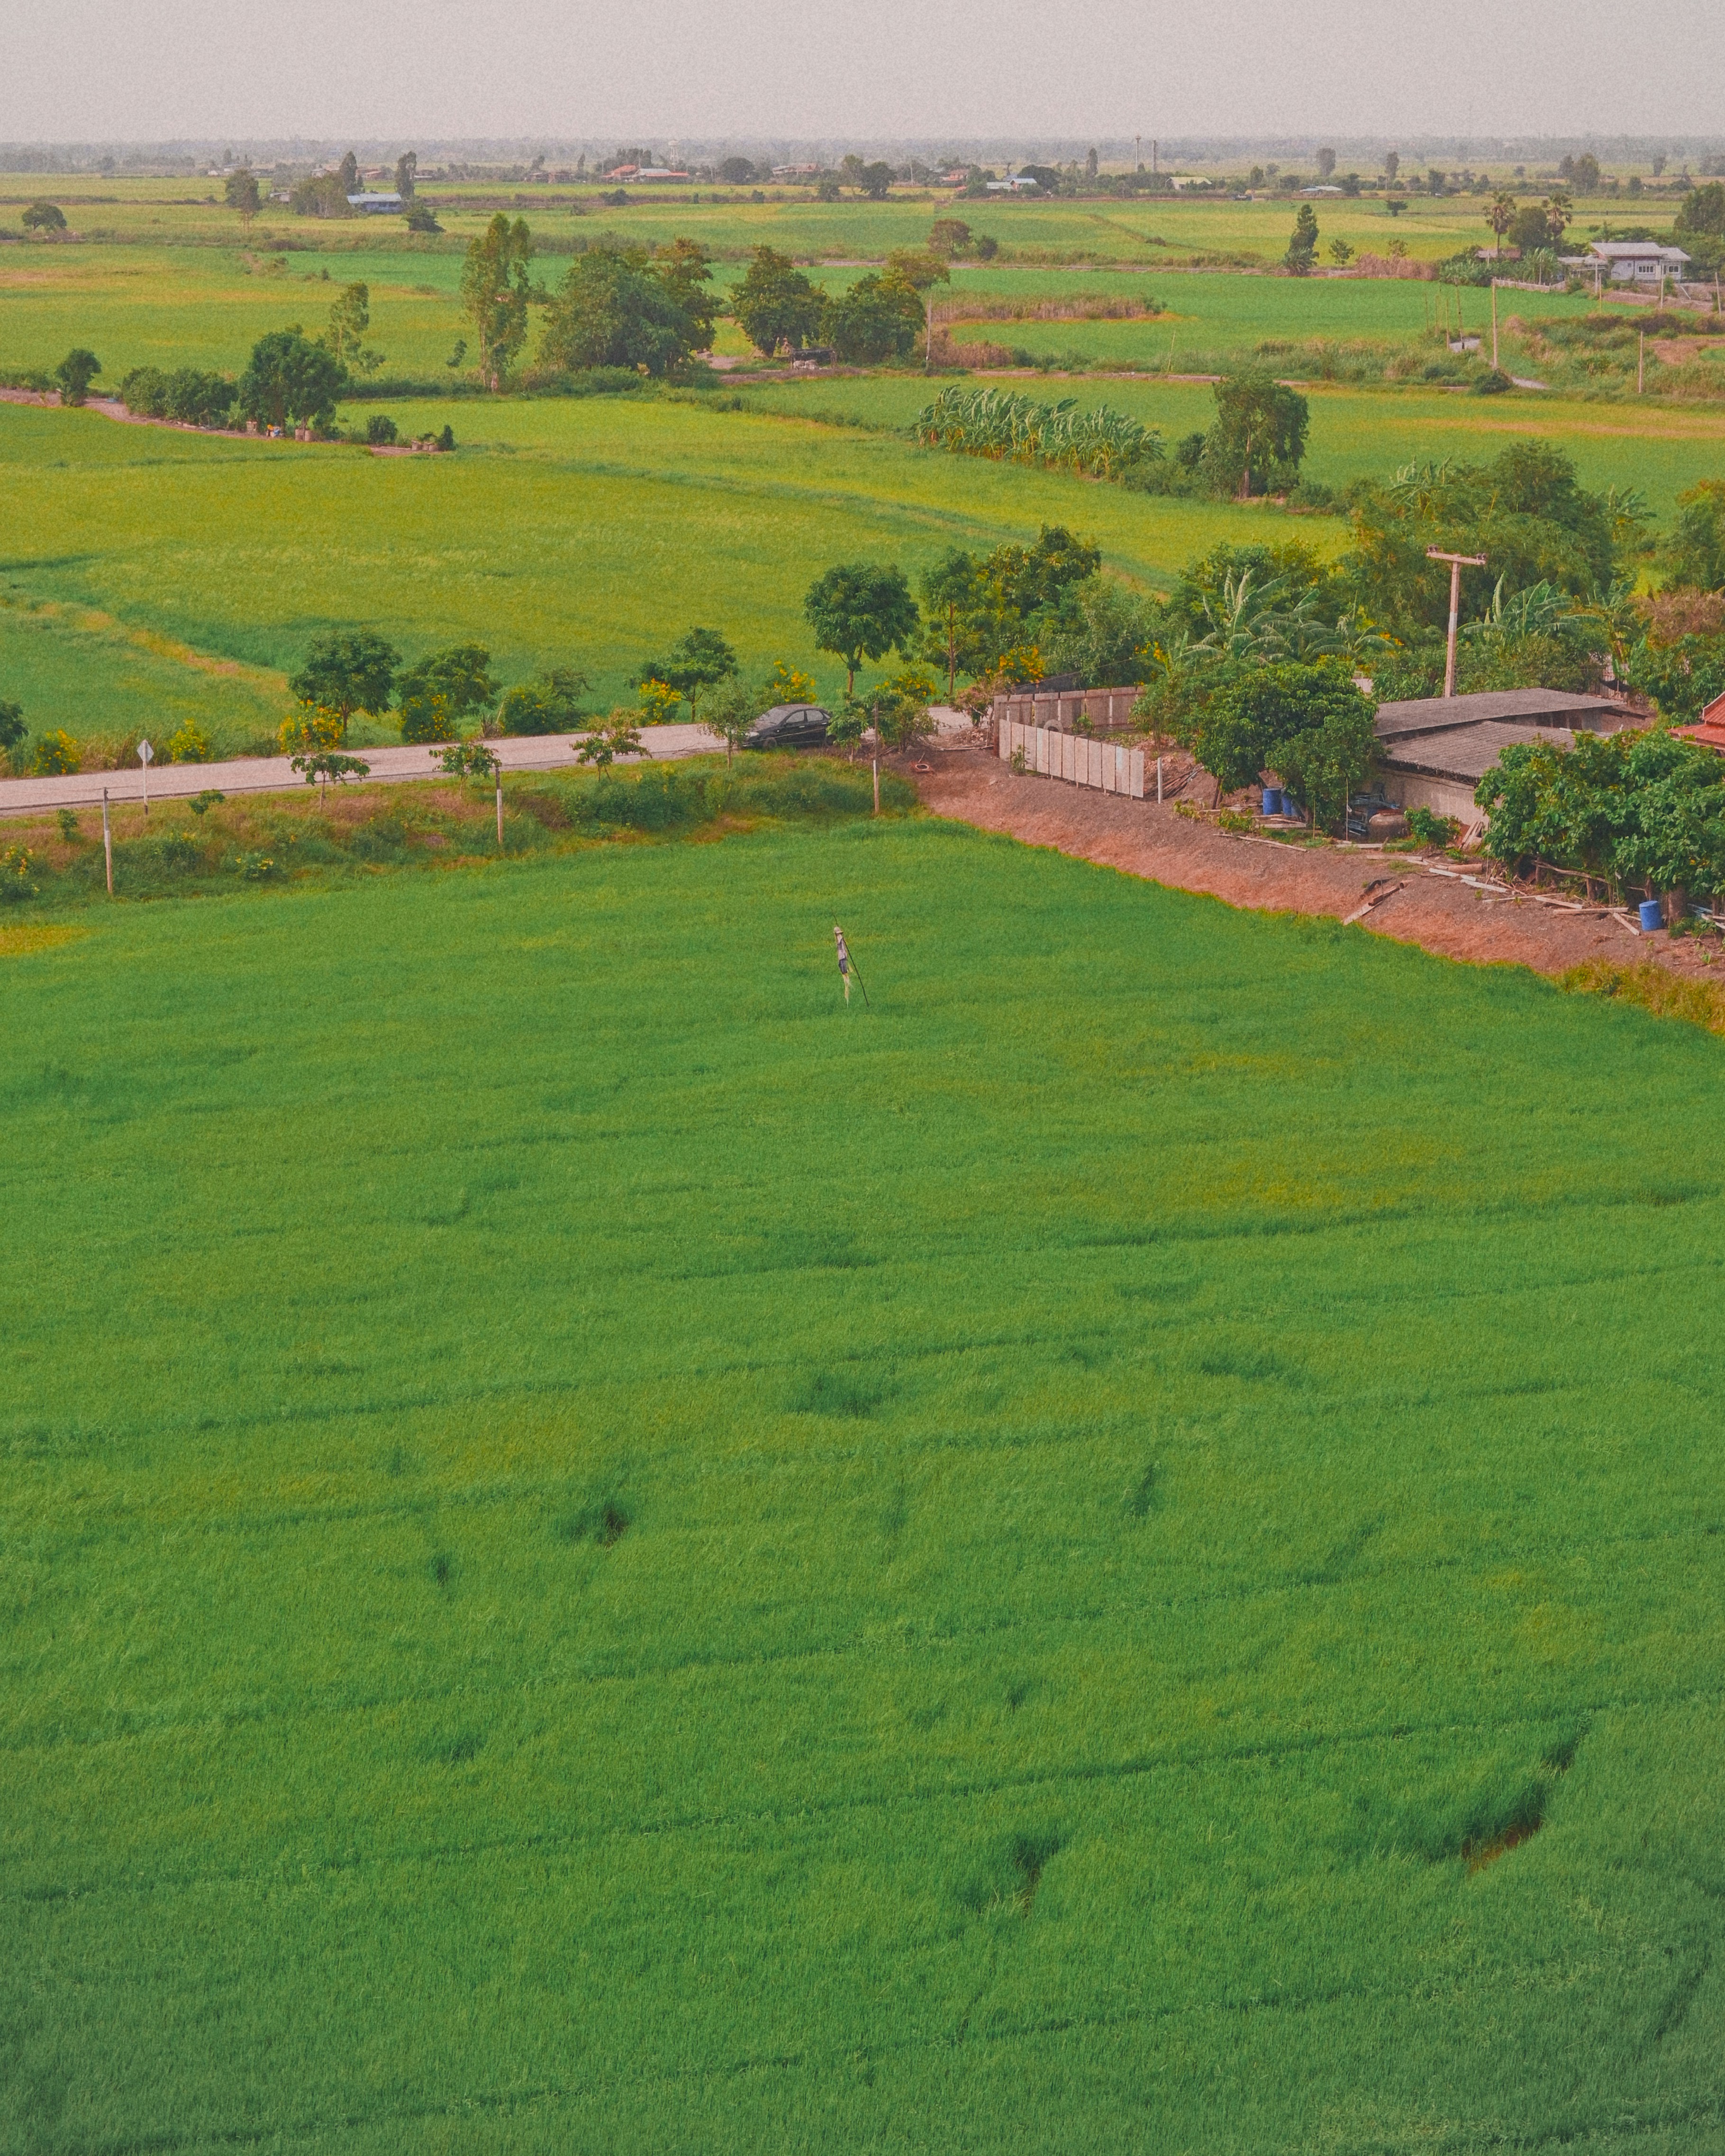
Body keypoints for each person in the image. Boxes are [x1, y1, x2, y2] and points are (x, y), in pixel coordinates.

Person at [834, 924, 852, 1003]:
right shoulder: (838, 939)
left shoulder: (840, 939)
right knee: (843, 971)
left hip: (842, 957)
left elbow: (844, 949)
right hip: (841, 958)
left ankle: (847, 984)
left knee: (844, 972)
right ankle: (846, 983)